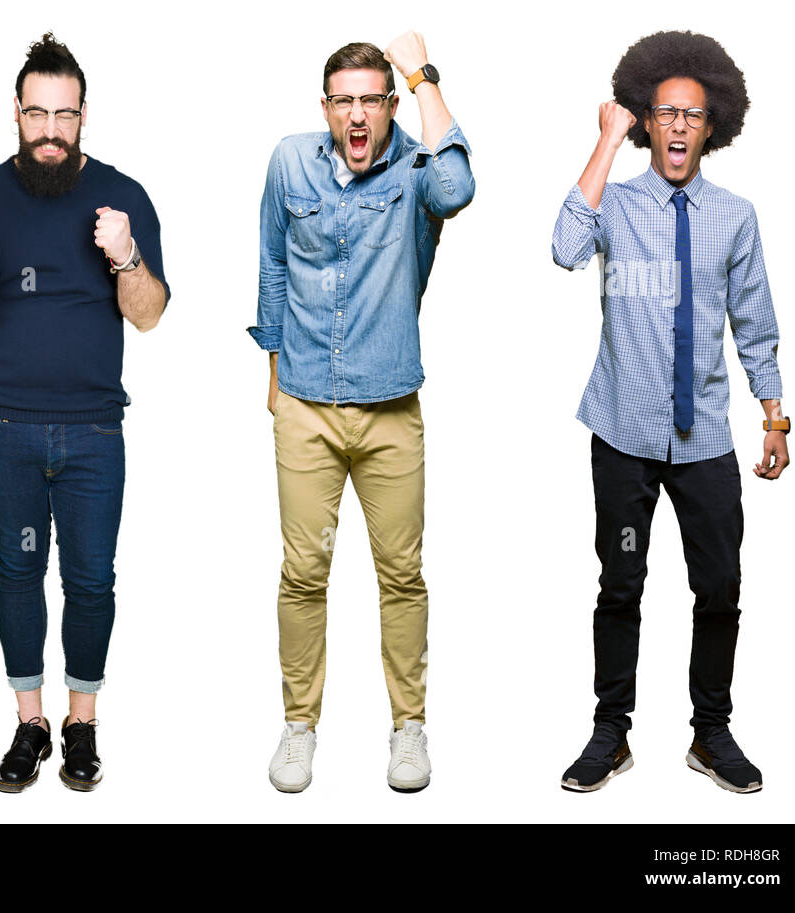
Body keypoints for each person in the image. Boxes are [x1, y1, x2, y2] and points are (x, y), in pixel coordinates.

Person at [552, 30, 787, 794]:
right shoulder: (613, 205)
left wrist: (775, 416)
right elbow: (561, 247)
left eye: (692, 114)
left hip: (707, 437)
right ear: (646, 122)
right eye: (663, 113)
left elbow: (755, 324)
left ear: (711, 125)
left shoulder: (734, 216)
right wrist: (605, 139)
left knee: (720, 586)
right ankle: (610, 730)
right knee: (620, 583)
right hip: (623, 432)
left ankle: (710, 732)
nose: (679, 126)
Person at [0, 32, 169, 793]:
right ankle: (29, 721)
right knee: (17, 566)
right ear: (15, 112)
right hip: (4, 421)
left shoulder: (122, 195)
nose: (47, 130)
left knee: (92, 578)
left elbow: (150, 316)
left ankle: (82, 722)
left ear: (83, 117)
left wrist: (127, 255)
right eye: (35, 114)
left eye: (62, 116)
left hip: (95, 429)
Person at [250, 33, 473, 793]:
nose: (355, 114)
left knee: (401, 574)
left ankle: (409, 726)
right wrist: (275, 374)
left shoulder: (417, 168)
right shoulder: (289, 161)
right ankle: (298, 724)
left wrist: (423, 74)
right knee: (303, 571)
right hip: (305, 405)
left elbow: (460, 188)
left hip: (389, 408)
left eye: (369, 100)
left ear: (389, 106)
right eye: (341, 99)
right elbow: (272, 262)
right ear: (325, 107)